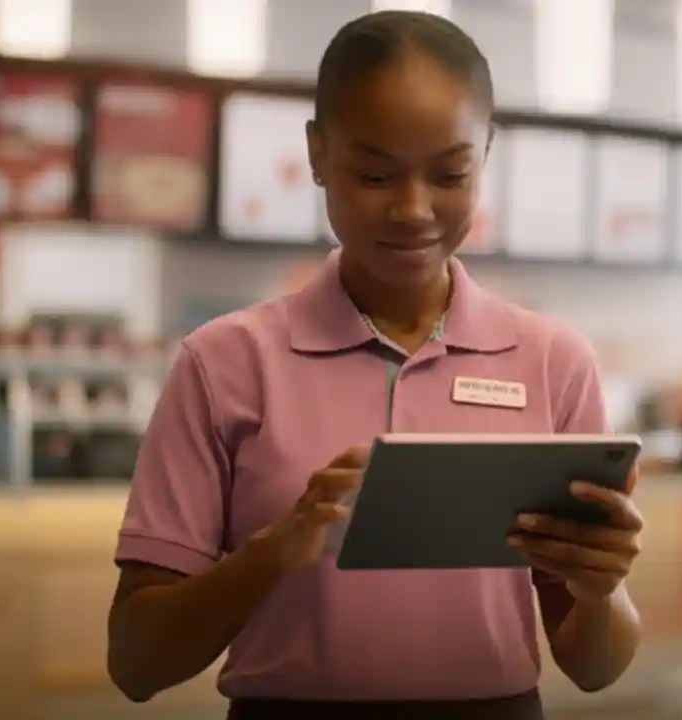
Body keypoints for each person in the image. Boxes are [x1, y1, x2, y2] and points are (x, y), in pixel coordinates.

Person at [106, 10, 643, 719]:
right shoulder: (224, 363)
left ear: (485, 154)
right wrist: (274, 551)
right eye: (375, 173)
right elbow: (137, 664)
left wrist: (605, 590)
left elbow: (593, 668)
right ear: (318, 154)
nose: (413, 210)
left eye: (450, 173)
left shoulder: (553, 361)